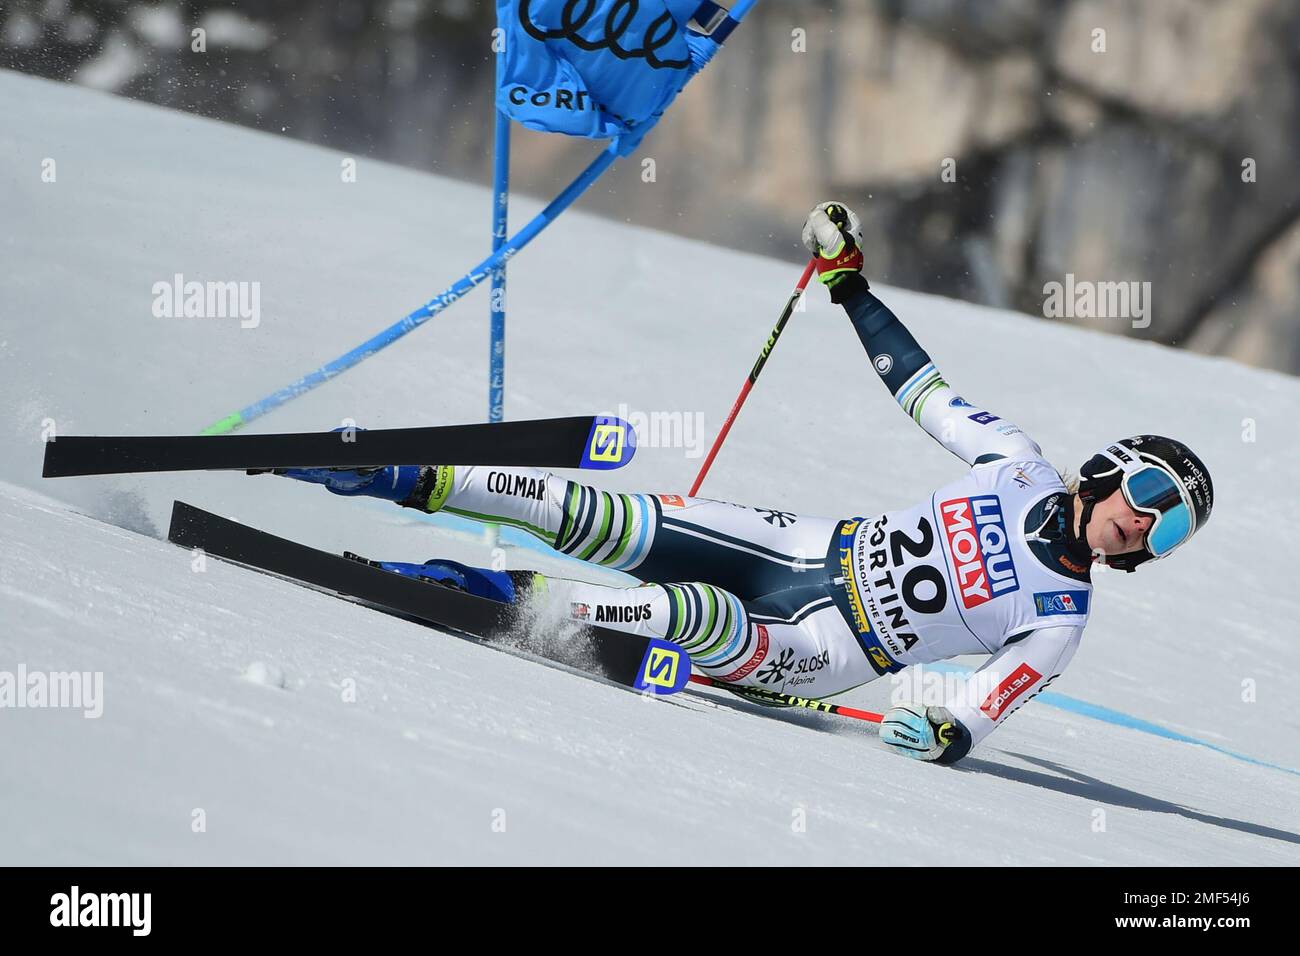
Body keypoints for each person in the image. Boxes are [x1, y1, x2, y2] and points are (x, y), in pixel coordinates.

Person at [270, 201, 1214, 765]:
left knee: (687, 615)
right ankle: (394, 474)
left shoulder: (1060, 620)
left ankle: (473, 591)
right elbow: (918, 386)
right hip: (803, 546)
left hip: (822, 647)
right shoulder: (1018, 464)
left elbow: (977, 714)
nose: (1147, 536)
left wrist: (941, 738)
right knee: (608, 517)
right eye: (1154, 505)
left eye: (1170, 539)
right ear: (1108, 471)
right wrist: (849, 284)